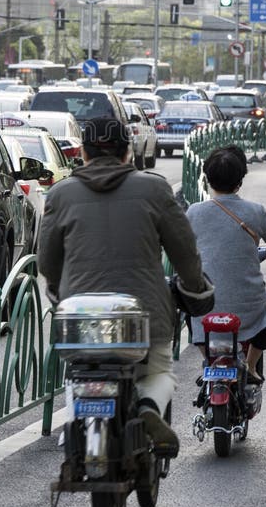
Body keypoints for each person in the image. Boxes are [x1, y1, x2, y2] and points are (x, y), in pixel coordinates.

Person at [37, 117, 213, 454]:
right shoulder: (155, 188)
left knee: (78, 371)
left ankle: (77, 425)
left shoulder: (61, 193)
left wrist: (60, 293)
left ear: (83, 154)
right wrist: (195, 286)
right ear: (127, 152)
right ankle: (148, 408)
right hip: (143, 313)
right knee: (158, 369)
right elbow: (184, 252)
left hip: (81, 315)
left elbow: (47, 261)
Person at [186, 147, 266, 383]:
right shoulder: (255, 211)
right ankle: (250, 365)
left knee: (188, 304)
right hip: (248, 309)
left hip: (206, 305)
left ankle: (209, 360)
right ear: (240, 181)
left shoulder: (194, 212)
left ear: (207, 178)